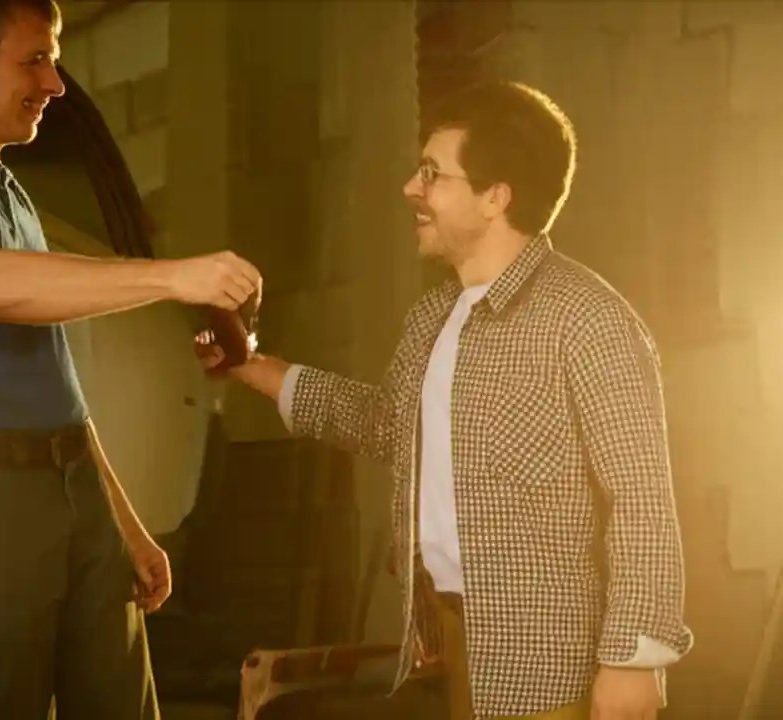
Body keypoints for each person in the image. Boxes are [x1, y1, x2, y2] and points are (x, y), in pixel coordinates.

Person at [198, 81, 692, 720]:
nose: (411, 187)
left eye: (433, 174)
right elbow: (389, 426)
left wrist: (634, 661)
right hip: (445, 644)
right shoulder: (433, 317)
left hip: (548, 663)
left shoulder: (588, 320)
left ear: (495, 198)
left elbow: (641, 495)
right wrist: (255, 368)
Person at [0, 1, 261, 717]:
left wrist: (124, 525)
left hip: (76, 490)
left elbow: (54, 380)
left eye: (55, 59)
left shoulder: (11, 191)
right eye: (35, 59)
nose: (57, 84)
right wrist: (169, 276)